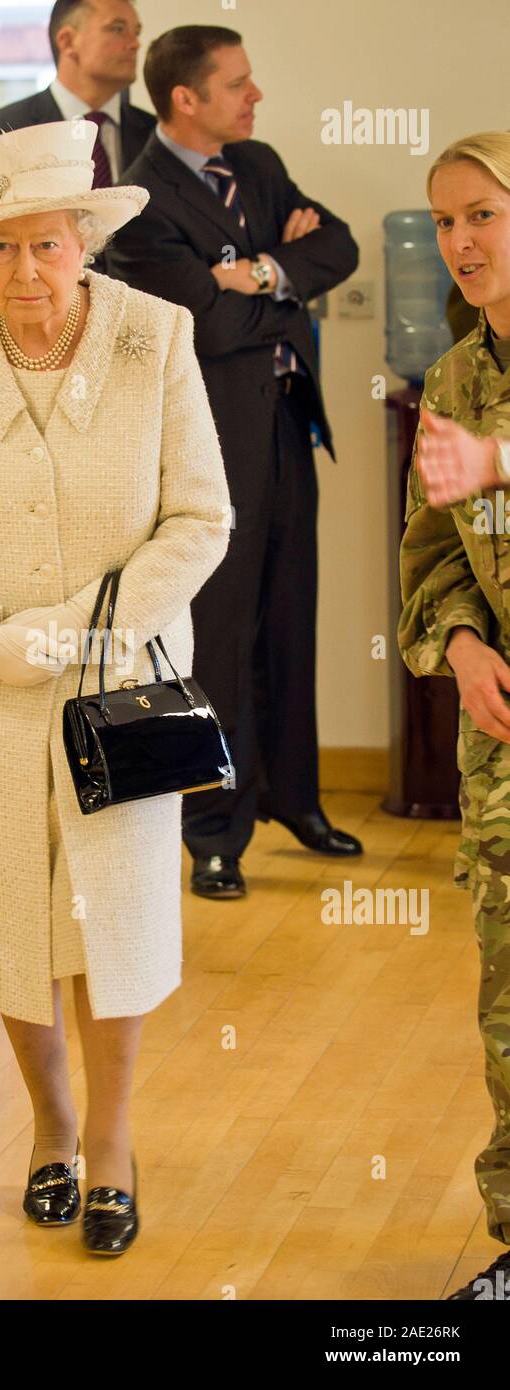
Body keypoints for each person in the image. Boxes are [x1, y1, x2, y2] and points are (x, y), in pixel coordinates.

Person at [0, 119, 231, 1255]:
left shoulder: (155, 337)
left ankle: (112, 1144)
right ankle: (51, 1126)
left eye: (46, 246)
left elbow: (199, 518)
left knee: (110, 918)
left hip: (115, 683)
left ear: (86, 238)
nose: (23, 274)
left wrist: (70, 632)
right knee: (9, 914)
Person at [107, 25, 363, 900]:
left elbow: (339, 248)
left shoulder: (256, 162)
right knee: (215, 638)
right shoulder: (142, 197)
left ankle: (296, 799)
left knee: (292, 618)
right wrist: (281, 291)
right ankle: (213, 829)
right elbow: (200, 330)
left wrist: (248, 272)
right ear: (187, 98)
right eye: (239, 85)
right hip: (212, 451)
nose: (256, 98)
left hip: (289, 427)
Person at [398, 130, 510, 1301]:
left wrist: (501, 463)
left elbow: (481, 476)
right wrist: (463, 645)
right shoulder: (456, 376)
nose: (458, 242)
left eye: (480, 214)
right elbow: (429, 555)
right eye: (442, 221)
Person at [0, 0, 154, 295]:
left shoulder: (155, 135)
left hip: (142, 326)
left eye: (137, 31)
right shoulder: (1, 130)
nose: (135, 43)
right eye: (117, 29)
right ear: (67, 41)